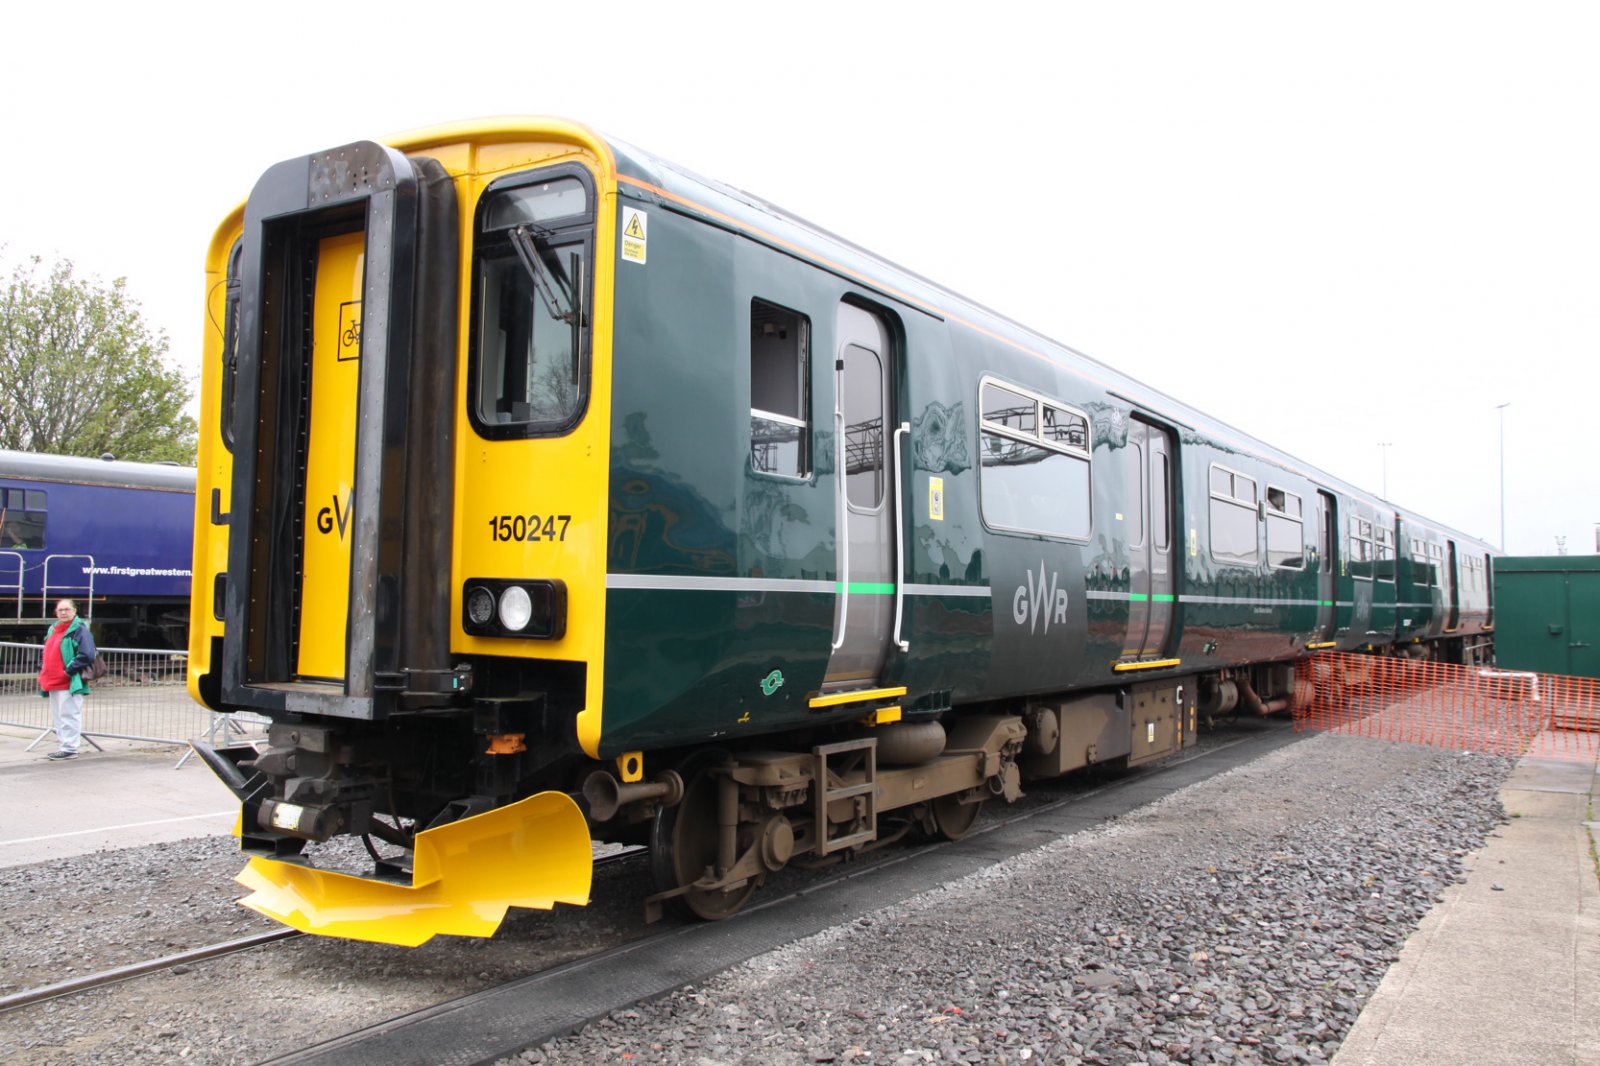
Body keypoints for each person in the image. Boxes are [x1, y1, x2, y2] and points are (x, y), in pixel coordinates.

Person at [37, 598, 95, 761]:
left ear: (74, 611)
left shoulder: (80, 630)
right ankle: (64, 745)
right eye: (60, 610)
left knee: (69, 714)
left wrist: (68, 670)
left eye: (67, 609)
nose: (63, 612)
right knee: (59, 715)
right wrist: (42, 668)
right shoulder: (53, 629)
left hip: (68, 681)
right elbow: (46, 650)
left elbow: (87, 654)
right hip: (53, 680)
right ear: (56, 612)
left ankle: (70, 747)